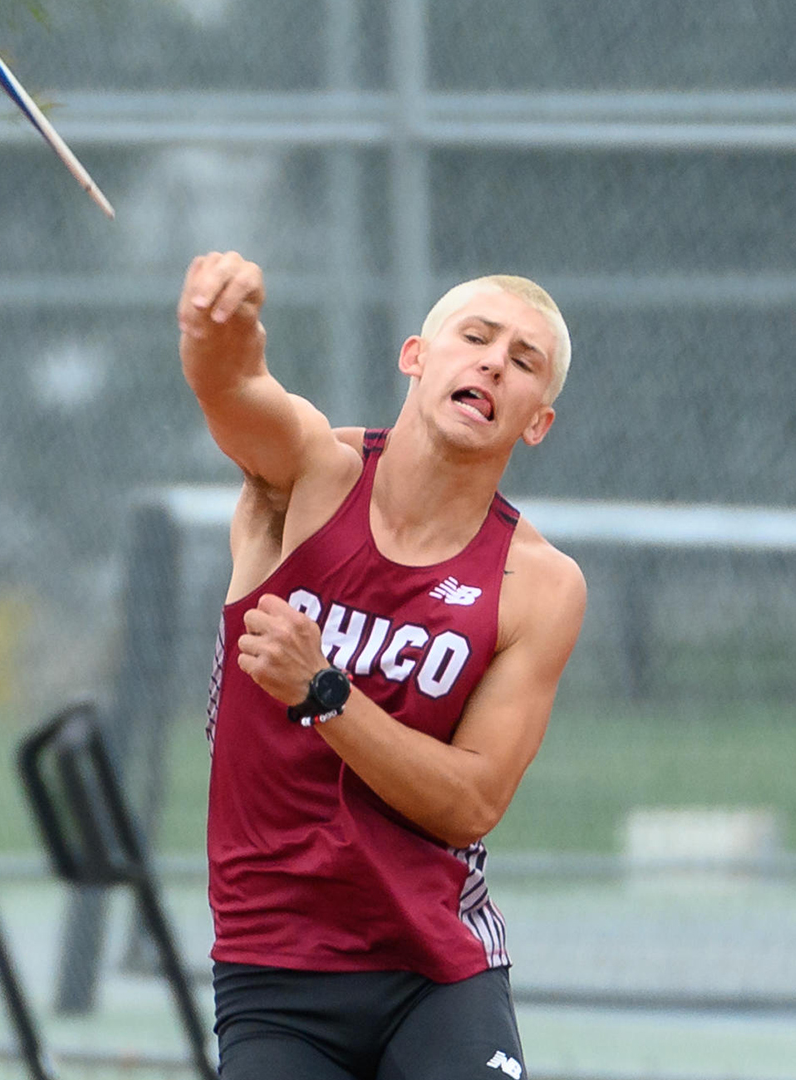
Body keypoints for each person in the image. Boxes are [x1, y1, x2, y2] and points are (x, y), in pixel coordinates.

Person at [179, 250, 587, 1080]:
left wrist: (327, 693)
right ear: (416, 356)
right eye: (475, 337)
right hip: (277, 970)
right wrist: (214, 327)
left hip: (435, 972)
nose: (493, 364)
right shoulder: (307, 477)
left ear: (535, 421)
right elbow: (233, 392)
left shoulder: (538, 585)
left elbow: (471, 801)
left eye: (523, 361)